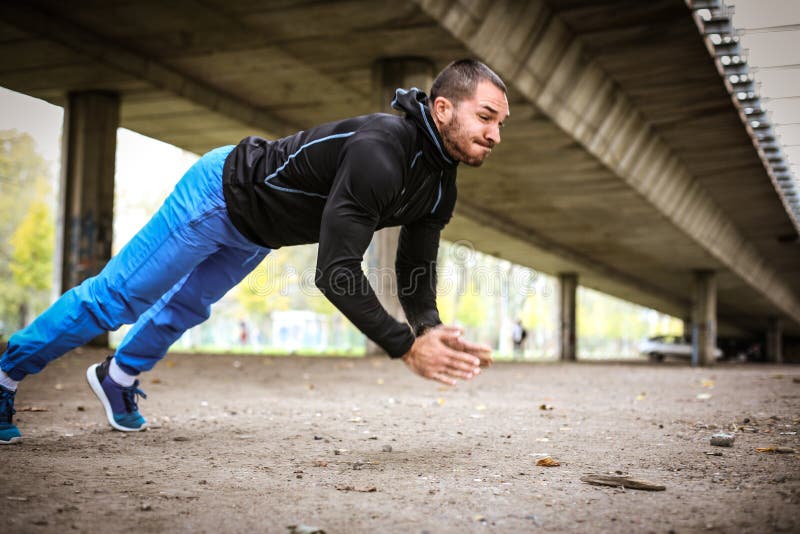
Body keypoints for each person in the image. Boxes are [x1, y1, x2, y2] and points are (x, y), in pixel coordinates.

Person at [0, 59, 509, 444]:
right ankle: (6, 374)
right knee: (118, 298)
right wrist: (402, 344)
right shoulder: (380, 149)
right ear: (443, 108)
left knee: (188, 307)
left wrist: (428, 326)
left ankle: (118, 376)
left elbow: (415, 264)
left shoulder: (441, 185)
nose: (495, 134)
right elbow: (335, 271)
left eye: (501, 123)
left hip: (259, 232)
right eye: (486, 117)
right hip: (221, 192)